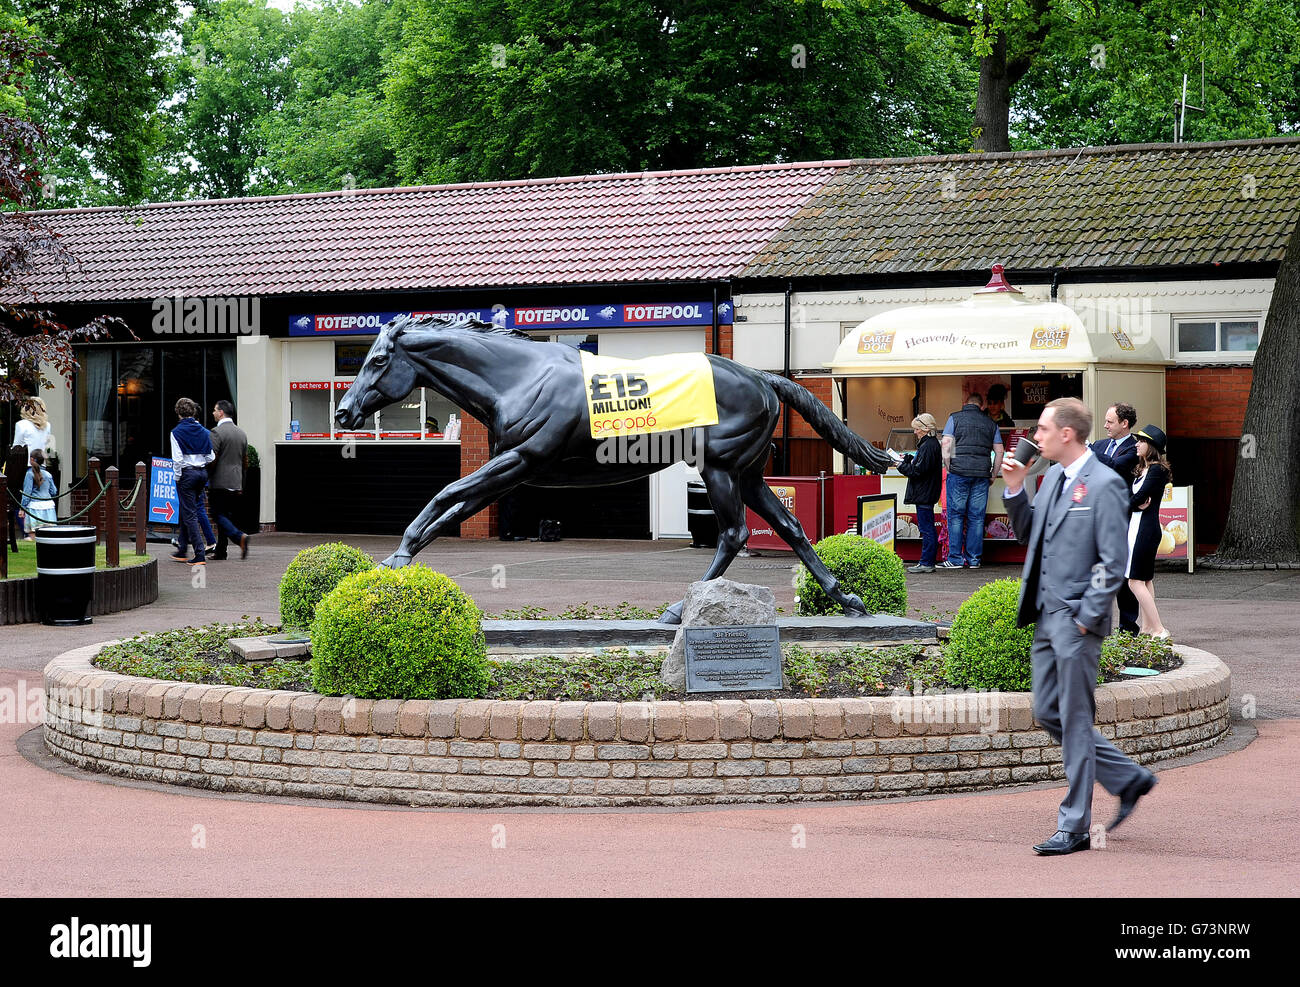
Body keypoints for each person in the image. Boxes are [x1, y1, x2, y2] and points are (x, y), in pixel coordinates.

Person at [1001, 397, 1157, 855]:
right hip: (1045, 615)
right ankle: (1129, 778)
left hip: (1076, 622)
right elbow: (1030, 534)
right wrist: (1014, 489)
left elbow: (1114, 562)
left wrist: (1087, 620)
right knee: (1048, 712)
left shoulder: (1105, 483)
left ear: (1067, 433)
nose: (1036, 438)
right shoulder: (1051, 478)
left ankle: (1075, 827)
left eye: (1044, 430)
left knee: (1073, 718)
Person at [1090, 403, 1141, 634]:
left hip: (1122, 519)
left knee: (1123, 573)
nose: (1105, 426)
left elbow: (1116, 466)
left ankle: (1128, 627)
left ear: (1124, 424)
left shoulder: (1135, 448)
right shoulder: (1100, 445)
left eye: (1110, 422)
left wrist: (1087, 449)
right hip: (1097, 517)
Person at [939, 393, 1004, 569]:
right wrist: (993, 473)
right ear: (981, 405)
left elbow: (946, 444)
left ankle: (955, 559)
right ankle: (974, 559)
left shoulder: (955, 418)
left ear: (965, 403)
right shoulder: (991, 423)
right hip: (981, 474)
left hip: (958, 472)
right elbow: (999, 451)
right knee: (977, 517)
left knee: (956, 516)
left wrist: (948, 466)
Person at [1125, 425, 1173, 639]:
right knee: (1144, 580)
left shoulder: (1157, 470)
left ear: (1151, 446)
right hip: (1136, 527)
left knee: (1134, 581)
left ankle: (1159, 629)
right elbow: (1133, 500)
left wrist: (1130, 504)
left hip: (1145, 529)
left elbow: (1138, 499)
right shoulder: (1141, 469)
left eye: (1141, 441)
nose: (1136, 444)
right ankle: (1146, 628)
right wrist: (1132, 504)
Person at [169, 397, 215, 566]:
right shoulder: (204, 431)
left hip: (187, 474)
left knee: (190, 515)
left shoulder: (176, 432)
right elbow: (211, 456)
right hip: (202, 473)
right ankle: (182, 550)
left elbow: (178, 459)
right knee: (187, 510)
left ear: (178, 412)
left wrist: (178, 477)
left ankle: (199, 554)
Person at [897, 413, 942, 573]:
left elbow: (918, 471)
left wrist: (901, 466)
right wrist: (909, 459)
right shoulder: (931, 444)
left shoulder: (928, 446)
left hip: (924, 493)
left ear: (924, 429)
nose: (915, 432)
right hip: (928, 492)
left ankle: (927, 562)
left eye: (916, 429)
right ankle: (926, 561)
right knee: (927, 527)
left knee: (926, 529)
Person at [208, 400, 251, 560]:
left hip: (220, 481)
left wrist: (206, 475)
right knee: (224, 515)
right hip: (236, 481)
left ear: (221, 412)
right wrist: (242, 483)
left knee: (217, 513)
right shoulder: (241, 433)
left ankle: (239, 537)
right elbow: (245, 461)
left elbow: (212, 458)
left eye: (214, 410)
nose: (213, 413)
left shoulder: (216, 432)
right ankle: (221, 551)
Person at [20, 449, 58, 538]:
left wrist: (22, 508)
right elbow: (54, 491)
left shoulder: (29, 474)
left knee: (34, 536)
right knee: (49, 536)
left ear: (32, 459)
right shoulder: (48, 474)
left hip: (34, 508)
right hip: (48, 508)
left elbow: (27, 493)